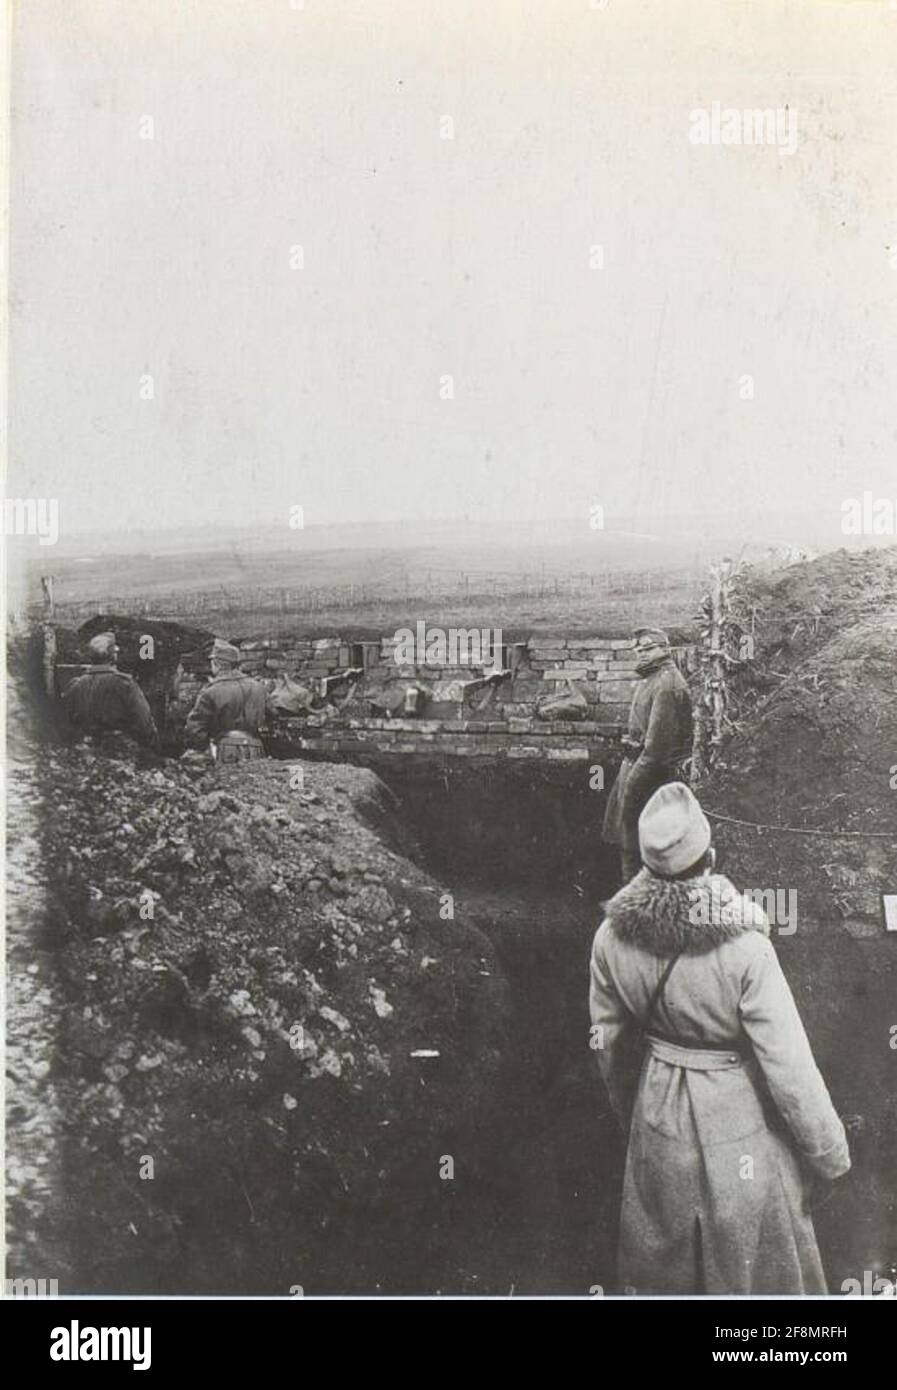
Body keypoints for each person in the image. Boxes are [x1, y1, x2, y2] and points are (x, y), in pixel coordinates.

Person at [589, 782, 850, 1296]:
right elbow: (789, 1067)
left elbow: (606, 1045)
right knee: (748, 1267)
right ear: (709, 856)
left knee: (663, 1264)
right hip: (739, 1124)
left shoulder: (611, 938)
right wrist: (828, 1155)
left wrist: (632, 1111)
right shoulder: (745, 948)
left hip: (658, 1114)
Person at [602, 627, 693, 882]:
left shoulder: (666, 685)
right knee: (627, 844)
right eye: (638, 650)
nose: (642, 654)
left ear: (665, 649)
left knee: (639, 848)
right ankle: (630, 900)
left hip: (649, 778)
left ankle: (638, 905)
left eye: (649, 648)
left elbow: (657, 751)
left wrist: (631, 786)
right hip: (634, 767)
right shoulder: (653, 679)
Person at [63, 631, 159, 749]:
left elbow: (66, 722)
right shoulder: (125, 684)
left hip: (85, 752)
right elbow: (144, 724)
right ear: (113, 655)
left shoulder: (75, 686)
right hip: (120, 752)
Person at [184, 638, 270, 763]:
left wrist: (203, 751)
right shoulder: (259, 688)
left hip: (224, 750)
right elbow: (272, 714)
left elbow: (195, 730)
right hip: (256, 749)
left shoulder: (210, 692)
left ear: (216, 664)